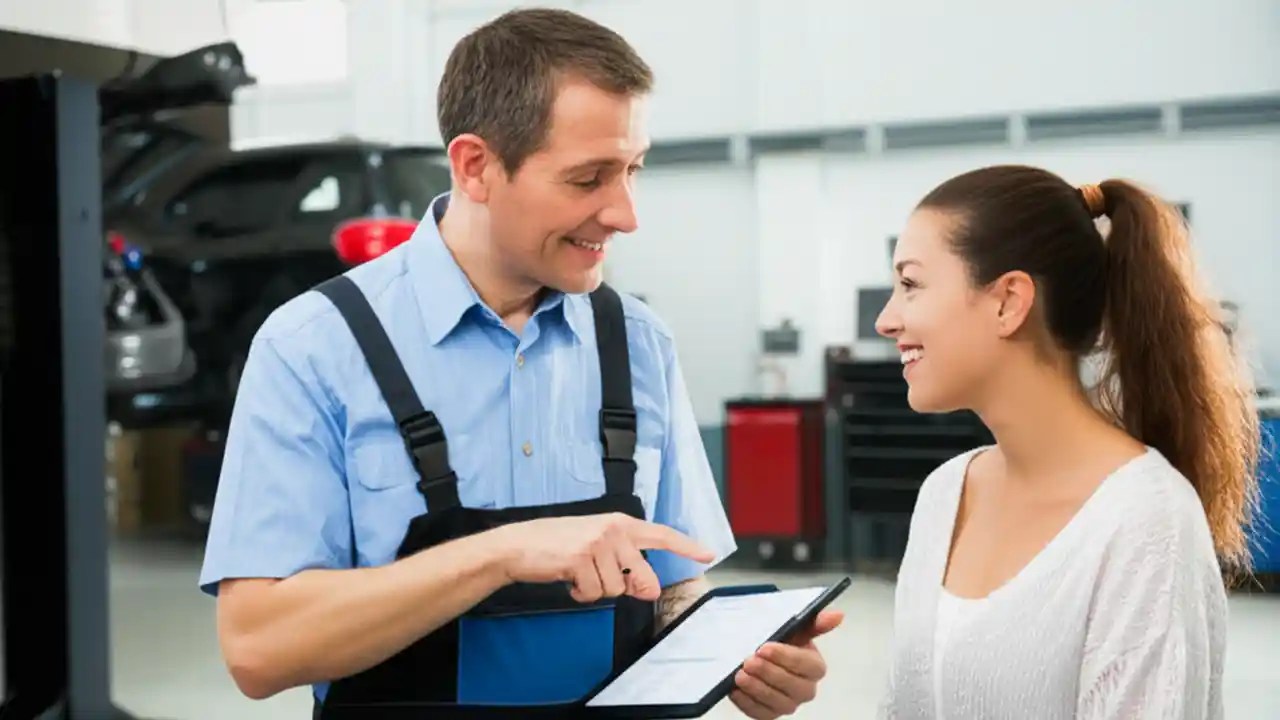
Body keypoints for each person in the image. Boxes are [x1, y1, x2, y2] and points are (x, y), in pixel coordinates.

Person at [198, 7, 841, 719]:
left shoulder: (638, 342)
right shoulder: (314, 347)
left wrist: (748, 664)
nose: (626, 214)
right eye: (588, 177)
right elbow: (259, 650)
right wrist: (500, 555)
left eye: (633, 170)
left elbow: (672, 590)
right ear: (476, 166)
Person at [873, 164, 1260, 719]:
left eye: (910, 284)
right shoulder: (943, 494)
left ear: (1009, 301)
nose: (887, 320)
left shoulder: (1146, 521)